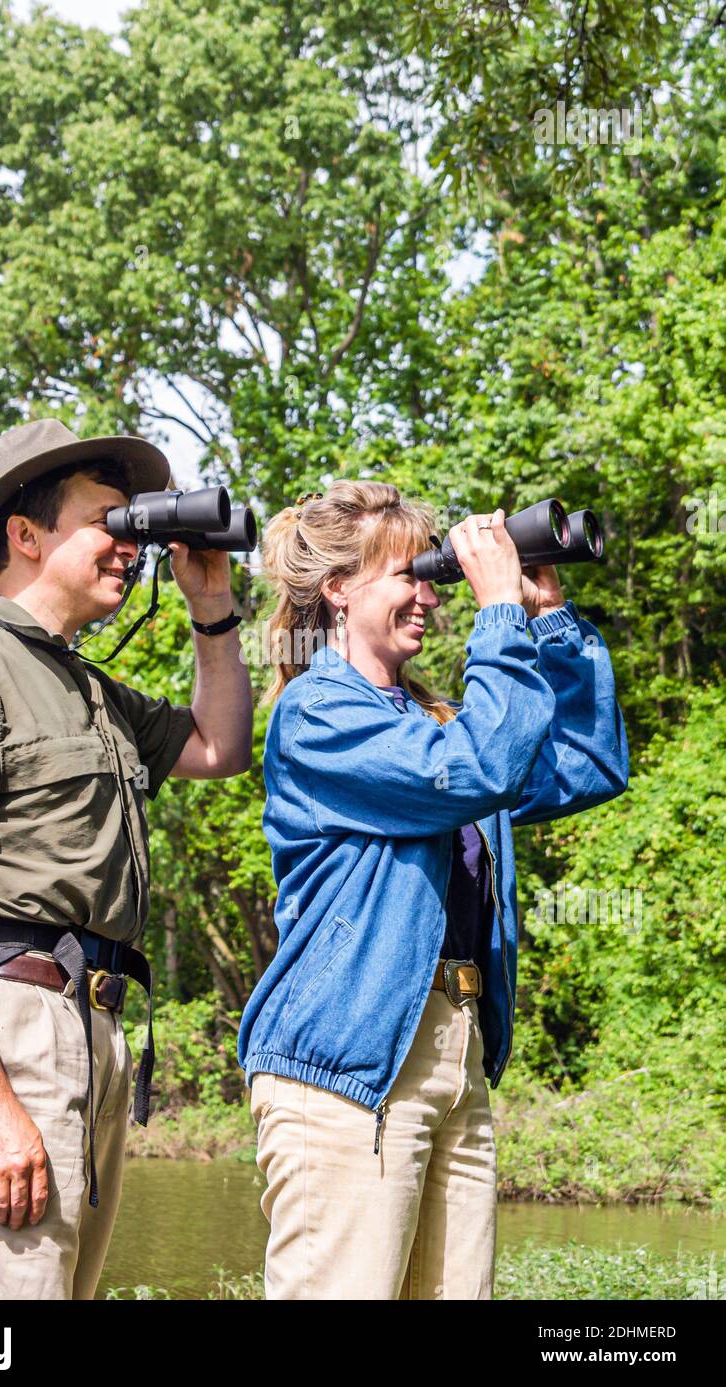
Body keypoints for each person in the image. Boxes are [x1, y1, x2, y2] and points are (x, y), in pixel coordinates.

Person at [0, 417, 252, 1300]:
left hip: (95, 1029)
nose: (133, 545)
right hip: (7, 1024)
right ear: (26, 534)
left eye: (137, 524)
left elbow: (219, 746)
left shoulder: (92, 691)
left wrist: (212, 608)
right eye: (109, 522)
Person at [238, 480, 629, 1300]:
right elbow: (478, 771)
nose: (427, 594)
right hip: (347, 1062)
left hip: (458, 1053)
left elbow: (586, 767)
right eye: (406, 574)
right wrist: (498, 616)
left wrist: (549, 621)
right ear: (338, 589)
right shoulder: (316, 717)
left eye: (433, 574)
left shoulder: (444, 720)